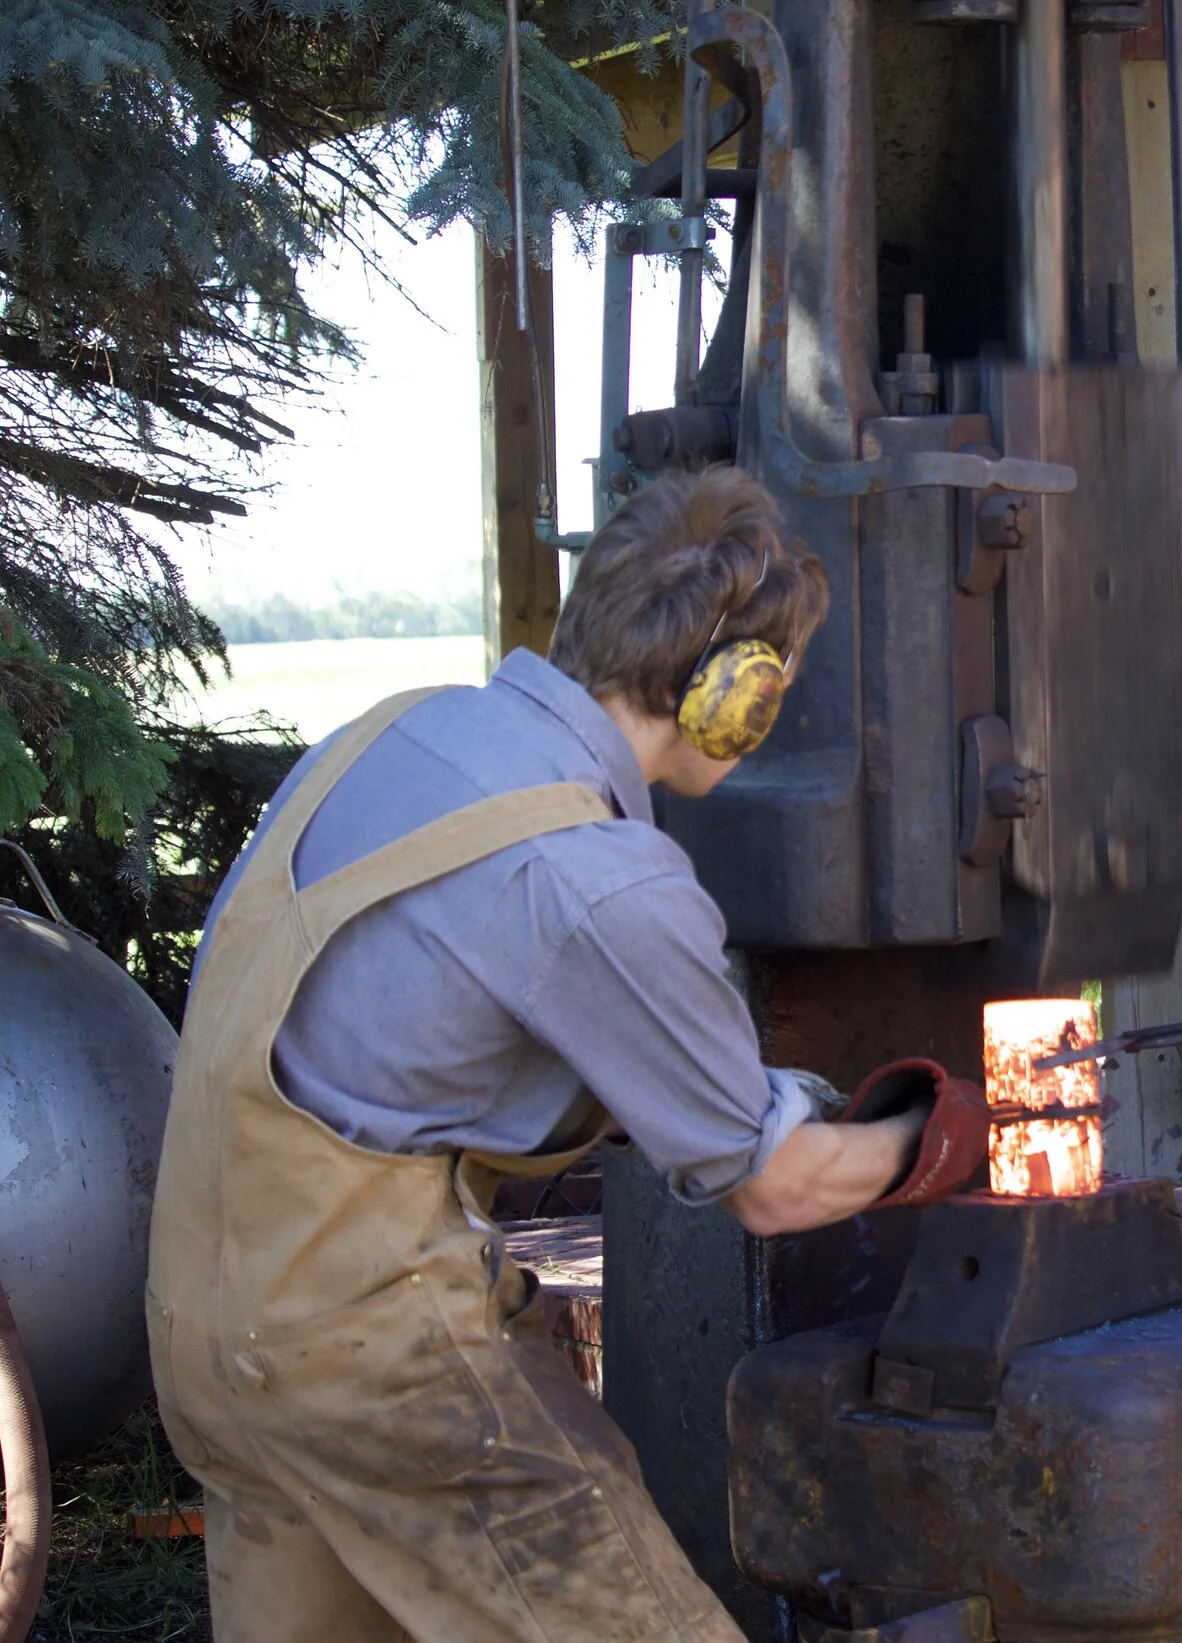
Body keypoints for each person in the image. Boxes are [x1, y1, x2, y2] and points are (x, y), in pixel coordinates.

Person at [146, 466, 987, 1642]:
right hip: (376, 1361)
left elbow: (411, 1030)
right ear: (731, 691)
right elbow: (778, 1186)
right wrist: (939, 1130)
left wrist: (724, 1091)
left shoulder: (395, 737)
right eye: (775, 682)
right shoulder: (599, 879)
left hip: (209, 1334)